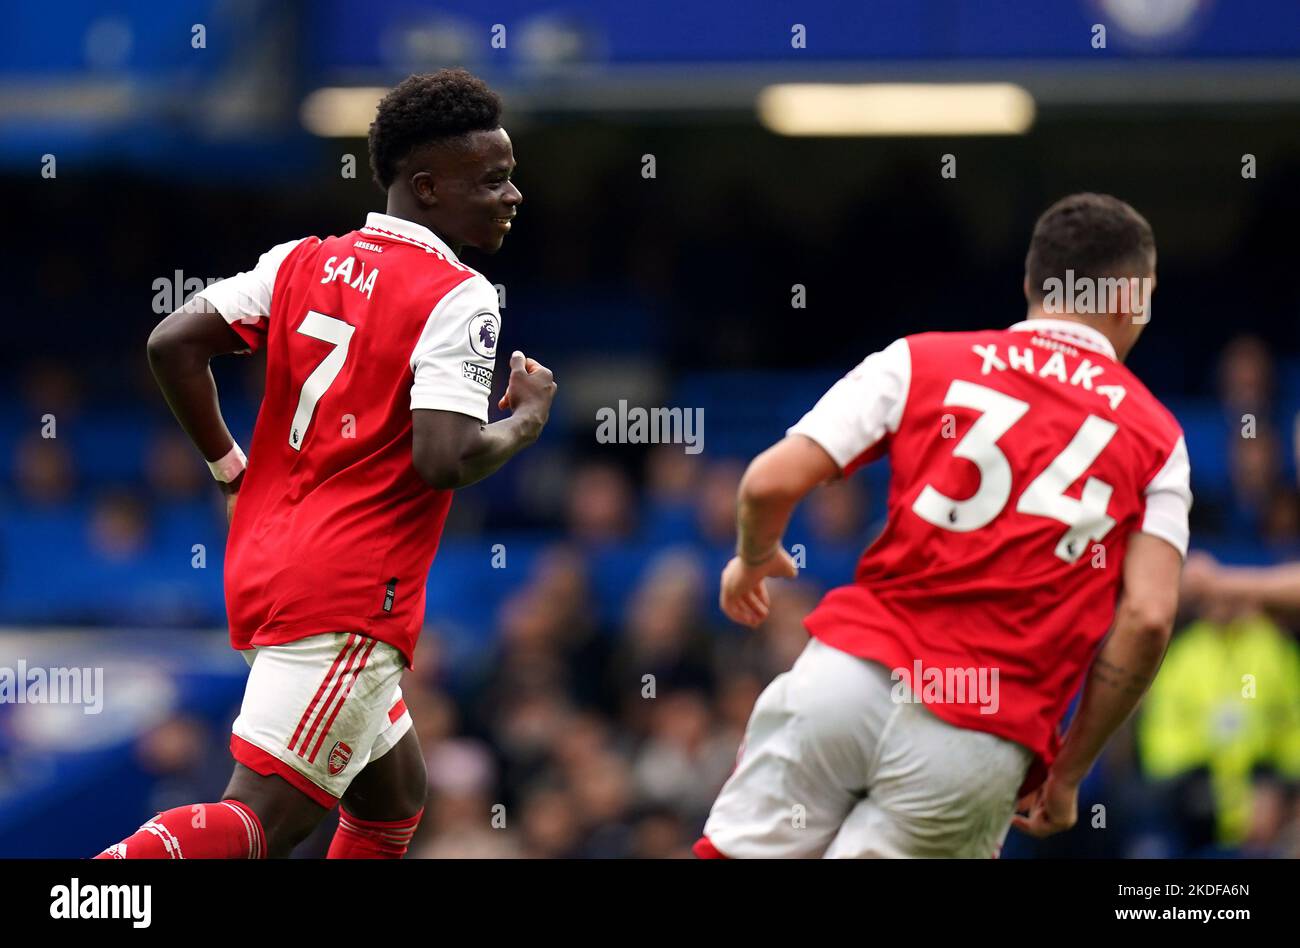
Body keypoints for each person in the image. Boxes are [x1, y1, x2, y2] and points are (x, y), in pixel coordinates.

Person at [97, 69, 556, 859]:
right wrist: (525, 421)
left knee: (393, 796)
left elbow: (172, 344)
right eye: (494, 179)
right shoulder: (459, 295)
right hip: (348, 590)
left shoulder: (298, 262)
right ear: (427, 187)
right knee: (261, 820)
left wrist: (230, 471)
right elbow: (444, 458)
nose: (513, 196)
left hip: (264, 564)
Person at [696, 193, 1190, 858]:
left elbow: (767, 481)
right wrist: (1069, 773)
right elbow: (1150, 617)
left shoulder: (918, 359)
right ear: (1137, 297)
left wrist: (753, 558)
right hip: (977, 733)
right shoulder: (1158, 438)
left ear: (1029, 284)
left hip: (844, 679)